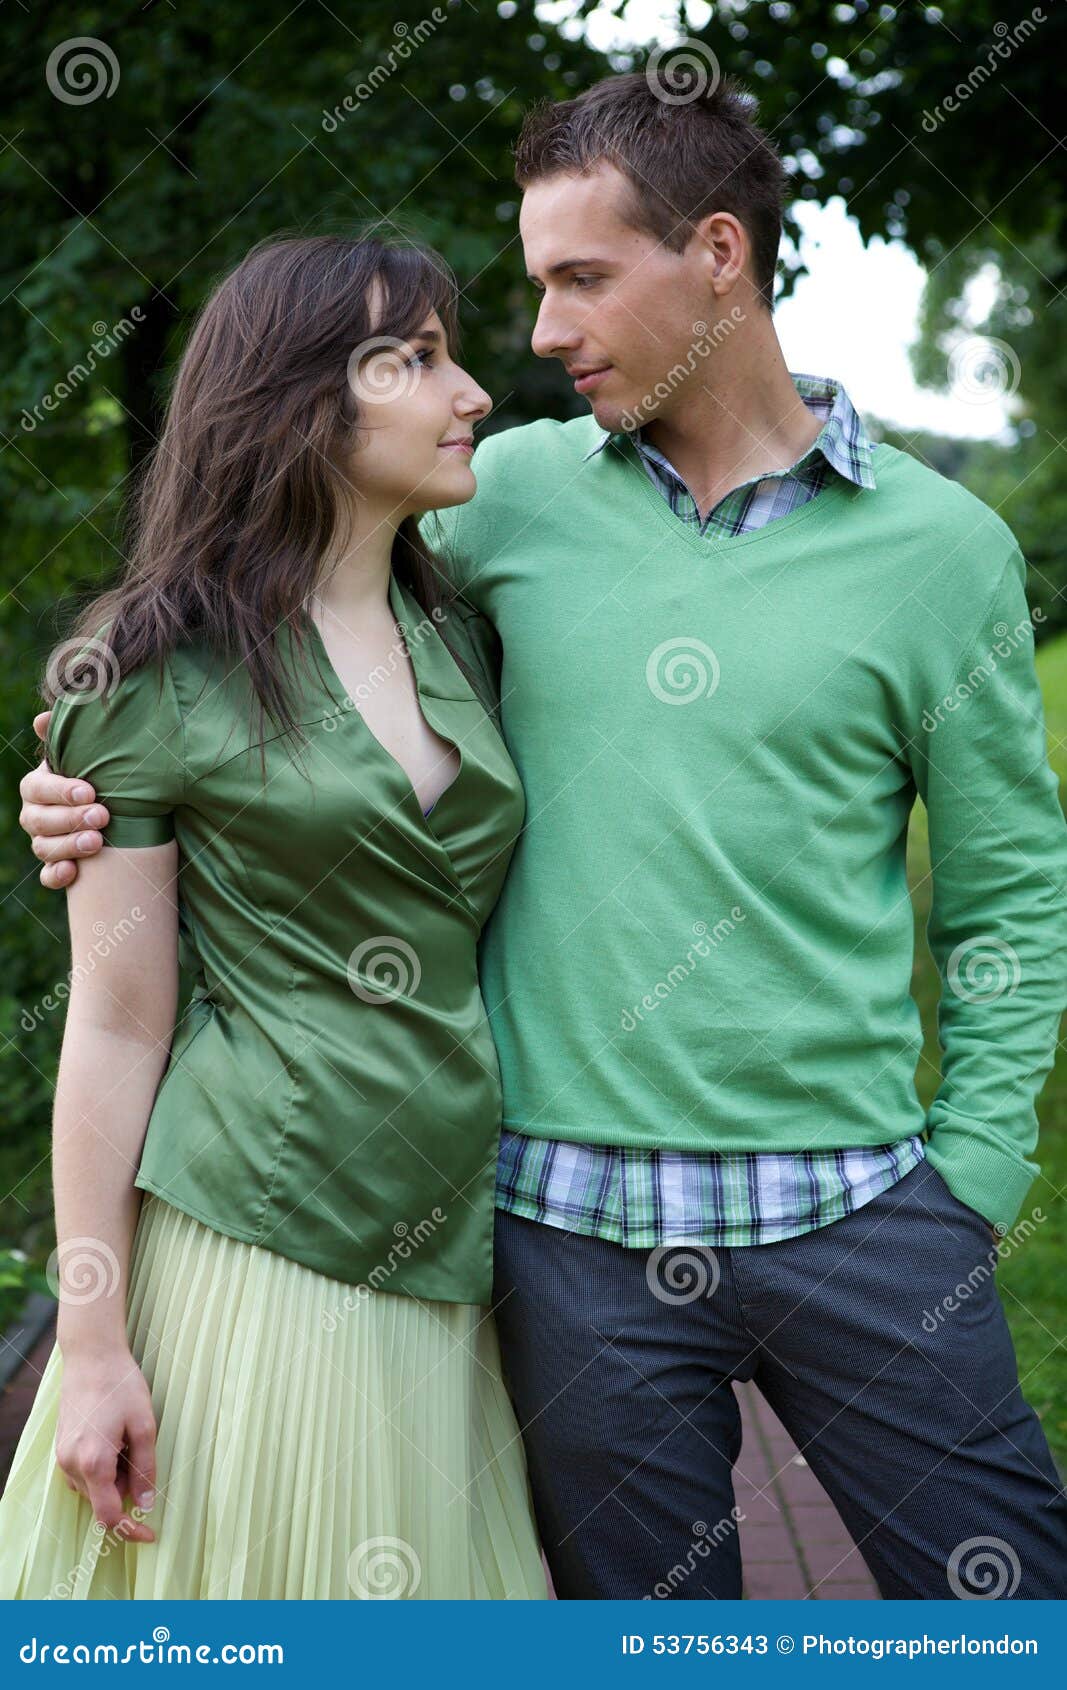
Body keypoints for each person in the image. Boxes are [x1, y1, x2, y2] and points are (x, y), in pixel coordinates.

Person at [20, 72, 1067, 1600]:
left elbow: (1010, 891)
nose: (542, 333)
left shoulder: (944, 549)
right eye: (533, 286)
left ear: (718, 253)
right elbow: (275, 610)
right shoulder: (496, 497)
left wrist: (973, 1172)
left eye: (582, 278)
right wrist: (85, 778)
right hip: (565, 1243)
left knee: (1016, 1608)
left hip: (860, 1214)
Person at [2, 231, 549, 1600]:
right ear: (302, 400)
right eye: (417, 360)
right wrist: (92, 1344)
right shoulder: (149, 674)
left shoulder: (461, 633)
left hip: (451, 1240)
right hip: (257, 1232)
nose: (472, 392)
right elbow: (117, 1028)